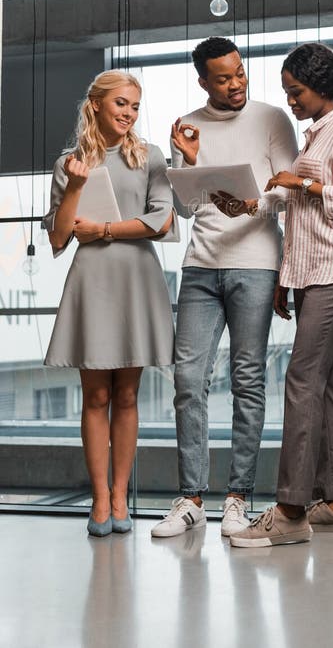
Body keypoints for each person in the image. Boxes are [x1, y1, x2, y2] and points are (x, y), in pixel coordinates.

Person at [230, 42, 333, 548]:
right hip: (314, 274)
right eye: (287, 93)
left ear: (322, 88)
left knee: (302, 378)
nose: (289, 101)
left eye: (295, 92)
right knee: (327, 385)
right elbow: (290, 202)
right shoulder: (315, 139)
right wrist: (285, 279)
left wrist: (306, 187)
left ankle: (291, 510)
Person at [151, 37, 298, 539]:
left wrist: (254, 206)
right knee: (188, 380)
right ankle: (191, 499)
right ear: (203, 82)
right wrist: (187, 159)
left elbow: (289, 187)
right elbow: (190, 208)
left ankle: (237, 498)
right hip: (201, 265)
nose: (236, 84)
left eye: (240, 72)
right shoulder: (188, 125)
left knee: (248, 380)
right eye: (223, 78)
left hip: (256, 263)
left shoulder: (272, 118)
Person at [44, 70, 176, 537]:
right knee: (95, 395)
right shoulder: (70, 162)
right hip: (93, 281)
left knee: (127, 394)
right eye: (121, 103)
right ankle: (100, 498)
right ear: (96, 104)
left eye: (135, 106)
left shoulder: (151, 157)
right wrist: (76, 187)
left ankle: (122, 494)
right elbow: (60, 236)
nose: (129, 114)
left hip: (137, 277)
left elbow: (161, 220)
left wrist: (101, 230)